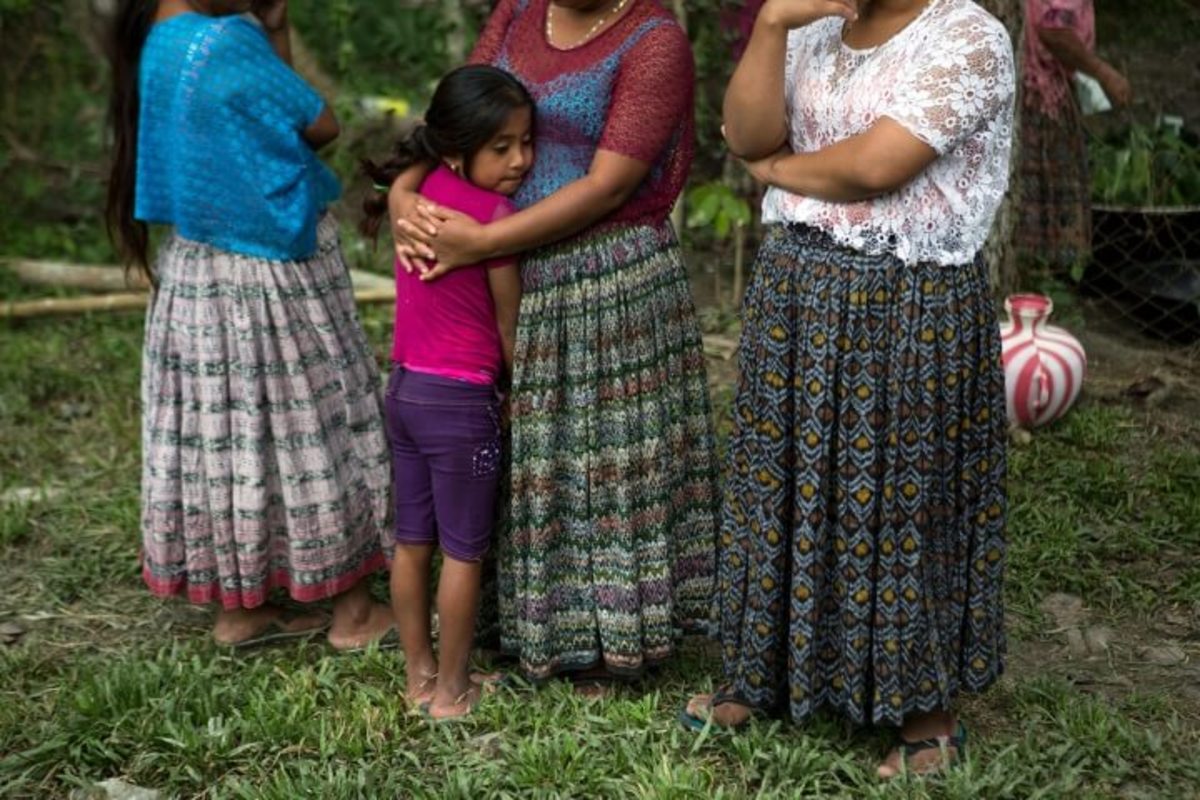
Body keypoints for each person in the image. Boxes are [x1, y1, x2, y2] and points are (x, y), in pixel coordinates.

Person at [680, 0, 1014, 779]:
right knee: (780, 484)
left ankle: (922, 713)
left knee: (901, 499)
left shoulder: (967, 36)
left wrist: (777, 174)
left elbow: (877, 165)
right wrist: (769, 25)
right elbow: (747, 134)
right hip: (797, 289)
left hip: (907, 302)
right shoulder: (815, 30)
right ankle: (762, 674)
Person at [388, 0, 718, 689]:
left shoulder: (654, 43)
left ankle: (612, 636)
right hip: (505, 275)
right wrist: (404, 195)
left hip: (605, 278)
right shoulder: (516, 13)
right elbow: (452, 120)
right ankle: (515, 622)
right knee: (523, 457)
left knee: (600, 466)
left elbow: (609, 185)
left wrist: (481, 241)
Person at [106, 0, 394, 650]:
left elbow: (270, 123)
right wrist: (269, 30)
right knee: (314, 427)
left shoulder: (158, 38)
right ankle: (352, 613)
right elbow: (319, 125)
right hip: (272, 270)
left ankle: (241, 611)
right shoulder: (230, 40)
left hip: (198, 274)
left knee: (230, 443)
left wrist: (278, 29)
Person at [360, 65, 529, 719]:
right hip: (461, 404)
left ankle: (419, 675)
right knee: (464, 551)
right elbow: (508, 325)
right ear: (457, 149)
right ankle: (454, 692)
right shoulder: (493, 217)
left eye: (525, 142)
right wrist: (517, 391)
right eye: (502, 147)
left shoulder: (420, 199)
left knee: (412, 542)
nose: (521, 160)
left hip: (403, 393)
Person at [1017, 0, 1131, 272]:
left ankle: (1038, 274)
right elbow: (1054, 31)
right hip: (1041, 98)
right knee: (1049, 194)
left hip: (1036, 88)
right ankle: (1042, 275)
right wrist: (1104, 73)